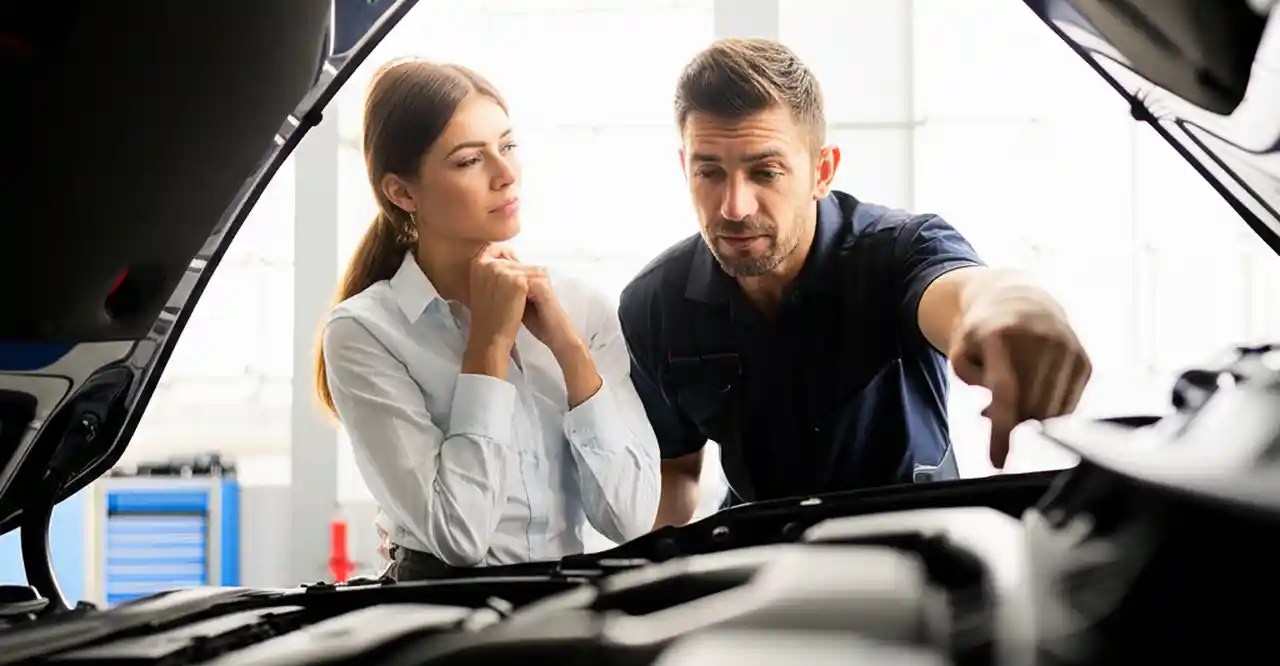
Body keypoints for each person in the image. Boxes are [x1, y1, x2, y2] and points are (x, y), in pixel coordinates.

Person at [618, 38, 1093, 527]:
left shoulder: (896, 250)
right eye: (709, 172)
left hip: (918, 551)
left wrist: (1014, 303)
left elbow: (966, 292)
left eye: (765, 171)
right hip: (763, 557)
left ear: (821, 171)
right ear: (684, 168)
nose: (733, 207)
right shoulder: (653, 303)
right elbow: (676, 471)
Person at [316, 59, 661, 580]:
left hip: (565, 606)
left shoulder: (581, 305)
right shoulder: (364, 332)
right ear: (403, 193)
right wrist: (489, 346)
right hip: (439, 613)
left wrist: (570, 350)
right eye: (469, 160)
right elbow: (459, 534)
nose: (506, 174)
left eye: (508, 145)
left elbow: (630, 517)